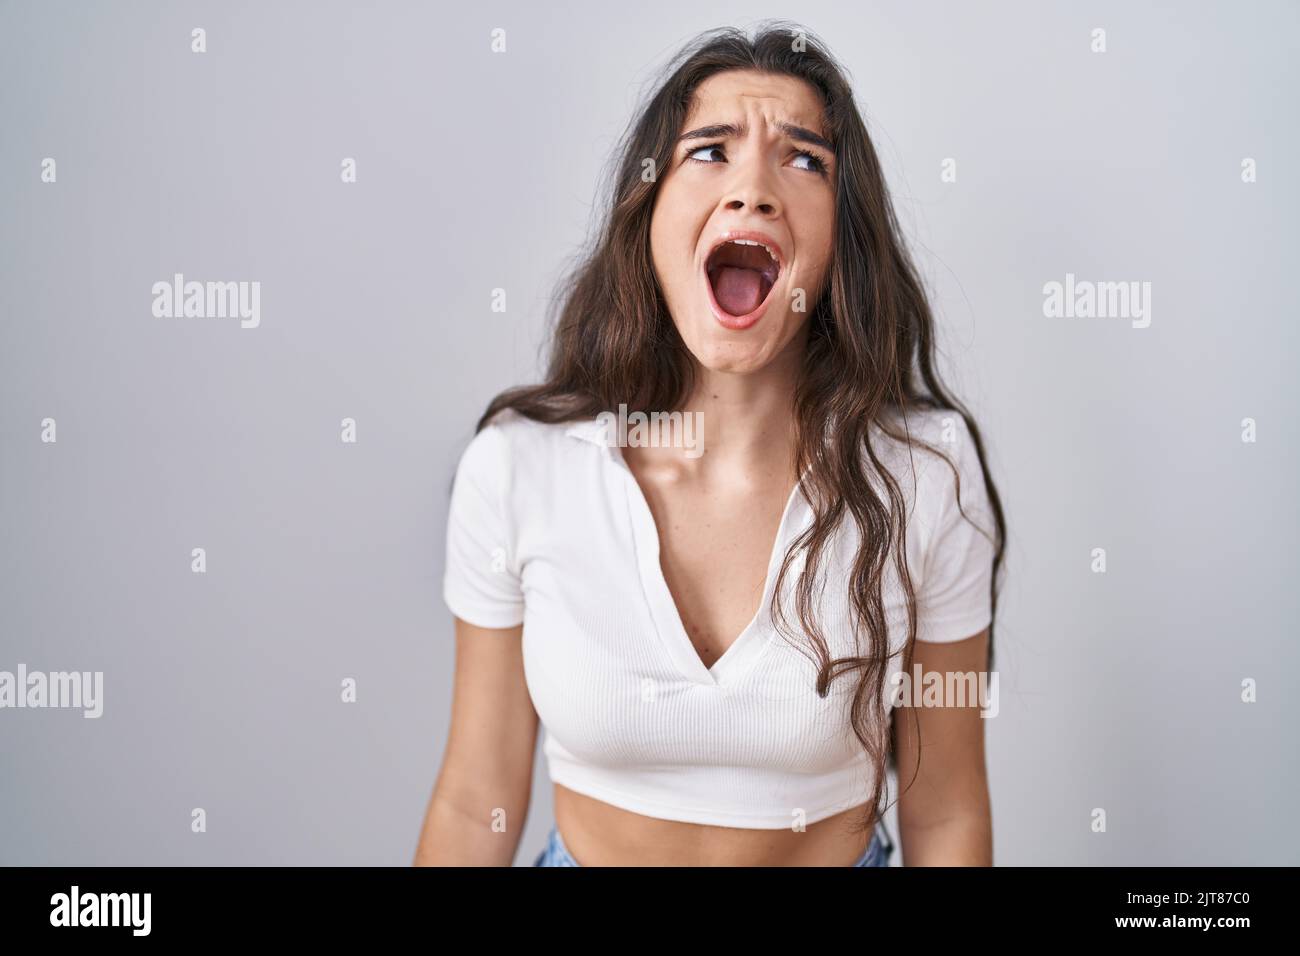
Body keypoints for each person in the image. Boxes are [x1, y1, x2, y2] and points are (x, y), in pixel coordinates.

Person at [415, 21, 1006, 867]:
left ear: (843, 239)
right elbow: (476, 805)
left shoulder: (927, 475)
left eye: (804, 159)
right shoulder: (520, 467)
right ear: (648, 213)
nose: (754, 189)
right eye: (709, 152)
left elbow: (946, 814)